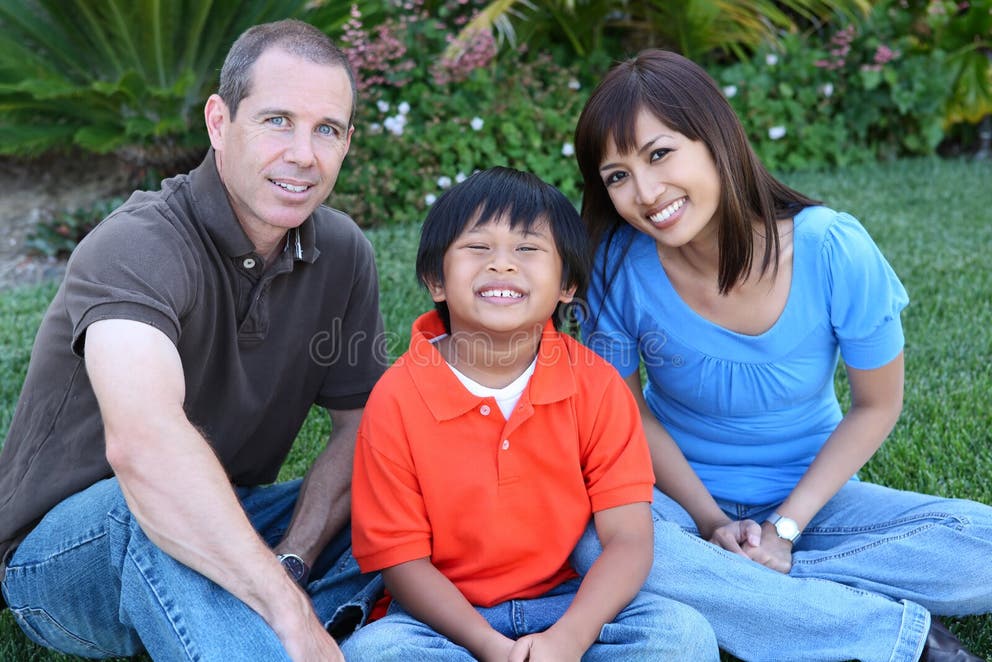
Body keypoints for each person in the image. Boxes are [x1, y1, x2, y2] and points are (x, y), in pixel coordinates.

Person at [570, 49, 992, 662]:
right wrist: (713, 522)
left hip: (811, 499)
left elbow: (875, 407)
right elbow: (629, 416)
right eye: (617, 176)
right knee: (596, 545)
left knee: (981, 544)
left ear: (715, 138)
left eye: (660, 154)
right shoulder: (618, 267)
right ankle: (901, 638)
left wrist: (783, 530)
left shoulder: (831, 247)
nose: (646, 192)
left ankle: (756, 587)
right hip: (676, 502)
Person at [0, 19, 387, 662]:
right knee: (154, 505)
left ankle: (276, 617)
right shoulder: (138, 245)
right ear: (218, 121)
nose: (303, 154)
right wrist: (287, 607)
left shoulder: (342, 252)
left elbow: (362, 426)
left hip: (225, 518)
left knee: (409, 486)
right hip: (67, 555)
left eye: (327, 130)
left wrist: (290, 558)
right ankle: (282, 630)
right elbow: (146, 448)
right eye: (276, 121)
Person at [339, 166, 719, 661]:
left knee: (682, 634)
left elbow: (629, 540)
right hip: (448, 621)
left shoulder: (596, 385)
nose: (502, 265)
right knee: (378, 652)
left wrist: (570, 638)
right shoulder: (396, 398)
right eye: (478, 247)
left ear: (566, 285)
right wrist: (489, 647)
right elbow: (403, 563)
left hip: (571, 604)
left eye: (527, 249)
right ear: (436, 279)